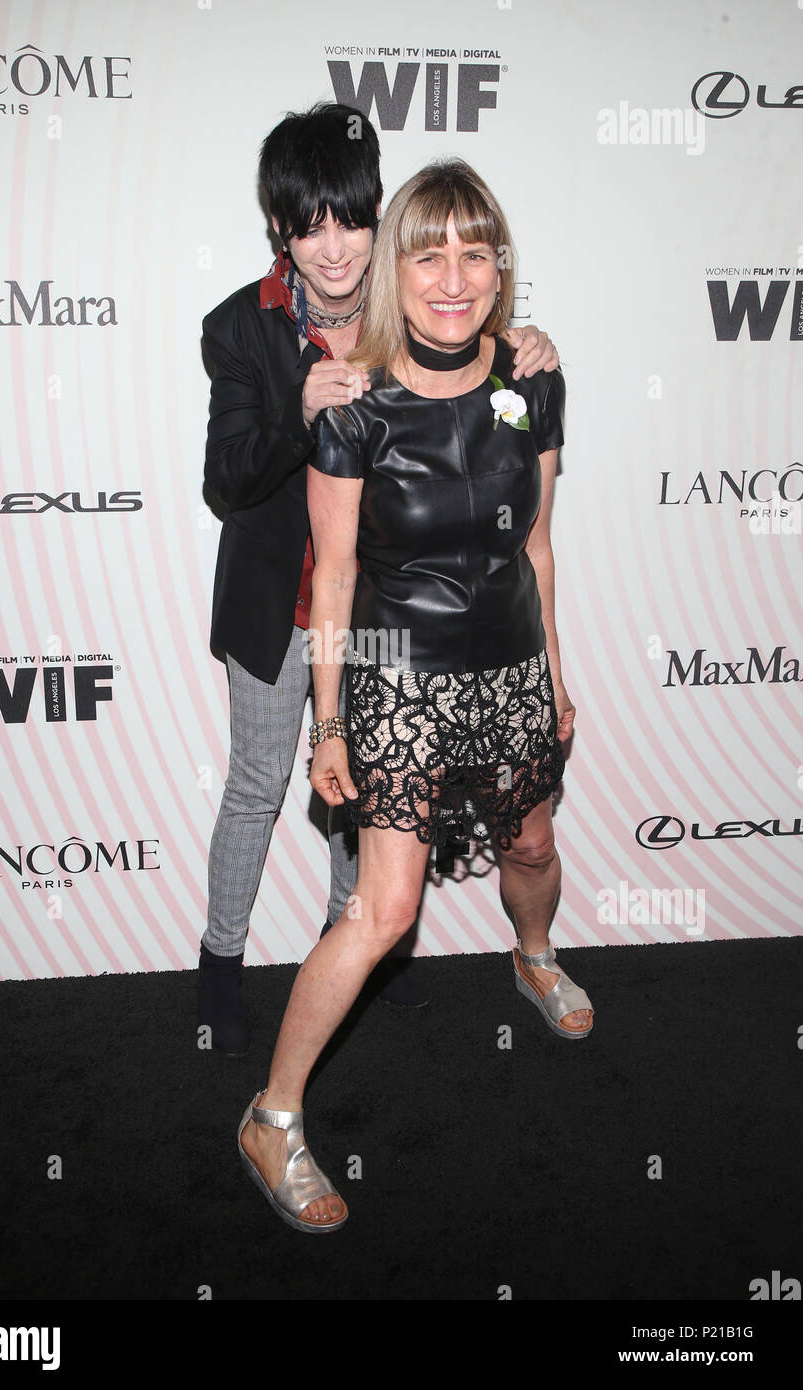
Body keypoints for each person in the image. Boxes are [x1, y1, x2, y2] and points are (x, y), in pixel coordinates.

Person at [237, 158, 592, 1232]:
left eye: (473, 253)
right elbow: (336, 575)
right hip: (397, 678)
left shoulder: (533, 381)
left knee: (530, 848)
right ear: (398, 266)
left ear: (499, 268)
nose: (452, 277)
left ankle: (533, 958)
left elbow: (536, 542)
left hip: (513, 664)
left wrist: (558, 675)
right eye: (429, 253)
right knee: (383, 911)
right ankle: (273, 1115)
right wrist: (330, 721)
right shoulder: (353, 403)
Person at [200, 104, 560, 1056]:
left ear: (377, 220)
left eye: (351, 219)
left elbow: (472, 366)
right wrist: (295, 413)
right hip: (285, 602)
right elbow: (224, 481)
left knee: (361, 800)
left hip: (383, 613)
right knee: (256, 787)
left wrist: (525, 348)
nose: (333, 247)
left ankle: (349, 955)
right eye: (309, 223)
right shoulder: (241, 327)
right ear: (280, 226)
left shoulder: (410, 303)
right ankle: (221, 972)